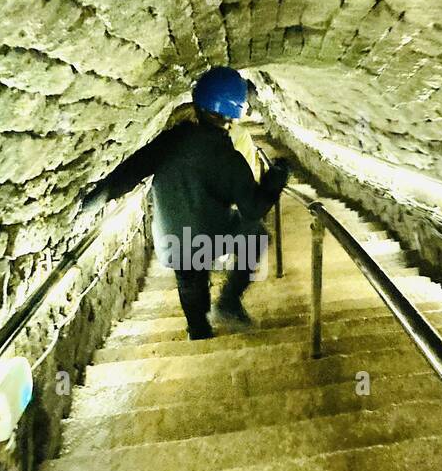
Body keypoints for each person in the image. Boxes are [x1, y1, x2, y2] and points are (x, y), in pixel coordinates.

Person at [80, 67, 290, 340]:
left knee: (190, 276)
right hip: (211, 237)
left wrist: (89, 203)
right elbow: (253, 209)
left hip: (173, 242)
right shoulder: (230, 160)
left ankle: (199, 329)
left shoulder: (170, 140)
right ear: (234, 113)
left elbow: (128, 174)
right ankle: (228, 302)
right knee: (257, 235)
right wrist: (276, 178)